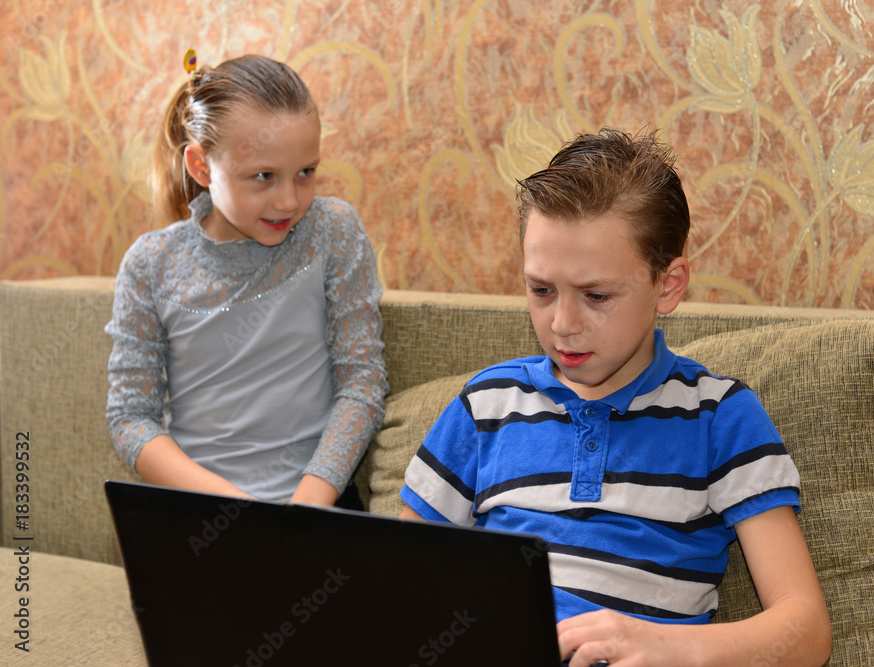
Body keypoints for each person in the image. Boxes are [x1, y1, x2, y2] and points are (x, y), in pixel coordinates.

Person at [399, 128, 831, 665]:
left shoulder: (719, 417)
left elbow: (807, 631)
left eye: (596, 295)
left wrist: (668, 648)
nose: (562, 325)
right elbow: (395, 583)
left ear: (668, 285)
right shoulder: (486, 404)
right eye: (541, 290)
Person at [105, 54, 387, 506]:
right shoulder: (150, 263)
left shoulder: (333, 231)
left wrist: (307, 506)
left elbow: (362, 384)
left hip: (318, 506)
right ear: (201, 167)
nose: (290, 199)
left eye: (305, 172)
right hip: (199, 516)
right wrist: (236, 510)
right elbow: (130, 418)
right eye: (263, 176)